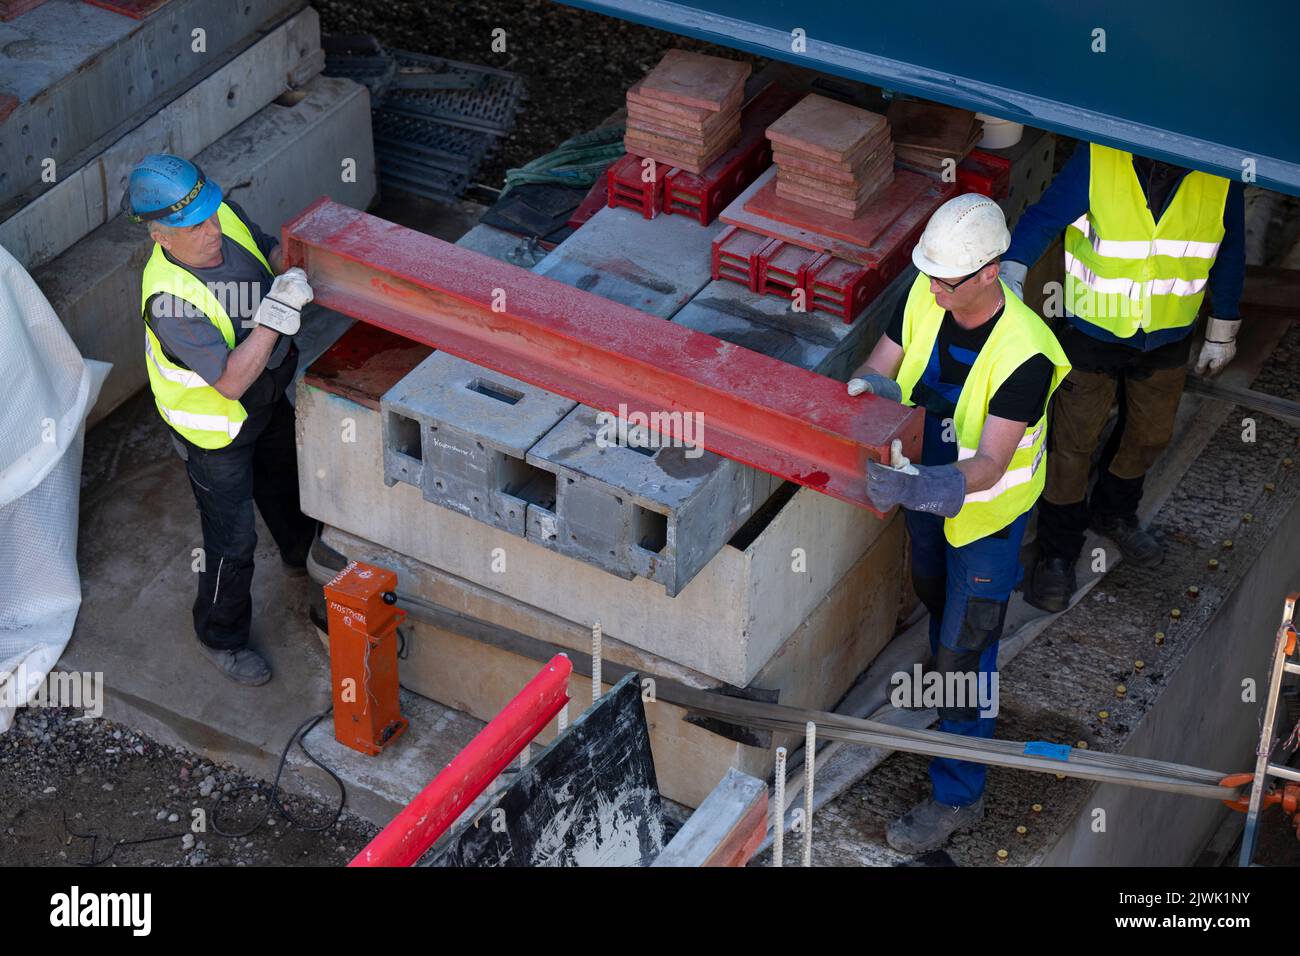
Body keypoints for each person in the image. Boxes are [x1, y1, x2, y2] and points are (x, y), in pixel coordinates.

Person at [848, 193, 1070, 853]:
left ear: (989, 271)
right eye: (931, 276)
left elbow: (993, 461)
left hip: (984, 522)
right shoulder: (924, 291)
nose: (934, 290)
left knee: (966, 655)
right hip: (926, 502)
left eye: (947, 280)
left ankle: (957, 797)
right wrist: (869, 394)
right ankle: (948, 659)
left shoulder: (1027, 351)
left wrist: (925, 483)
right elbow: (879, 368)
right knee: (936, 603)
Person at [1000, 143, 1245, 611]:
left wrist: (1223, 329)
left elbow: (1231, 249)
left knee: (1150, 435)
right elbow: (1044, 219)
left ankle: (1113, 512)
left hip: (1169, 334)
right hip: (1091, 331)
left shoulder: (1221, 173)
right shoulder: (1099, 159)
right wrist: (1011, 276)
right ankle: (1057, 554)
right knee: (1073, 444)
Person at [125, 153, 318, 685]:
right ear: (160, 236)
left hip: (268, 394)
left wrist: (294, 265)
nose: (212, 231)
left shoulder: (221, 214)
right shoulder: (168, 300)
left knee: (287, 481)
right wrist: (277, 315)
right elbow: (231, 381)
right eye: (194, 227)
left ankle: (302, 555)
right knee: (232, 544)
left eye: (211, 215)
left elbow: (268, 250)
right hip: (215, 433)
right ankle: (220, 636)